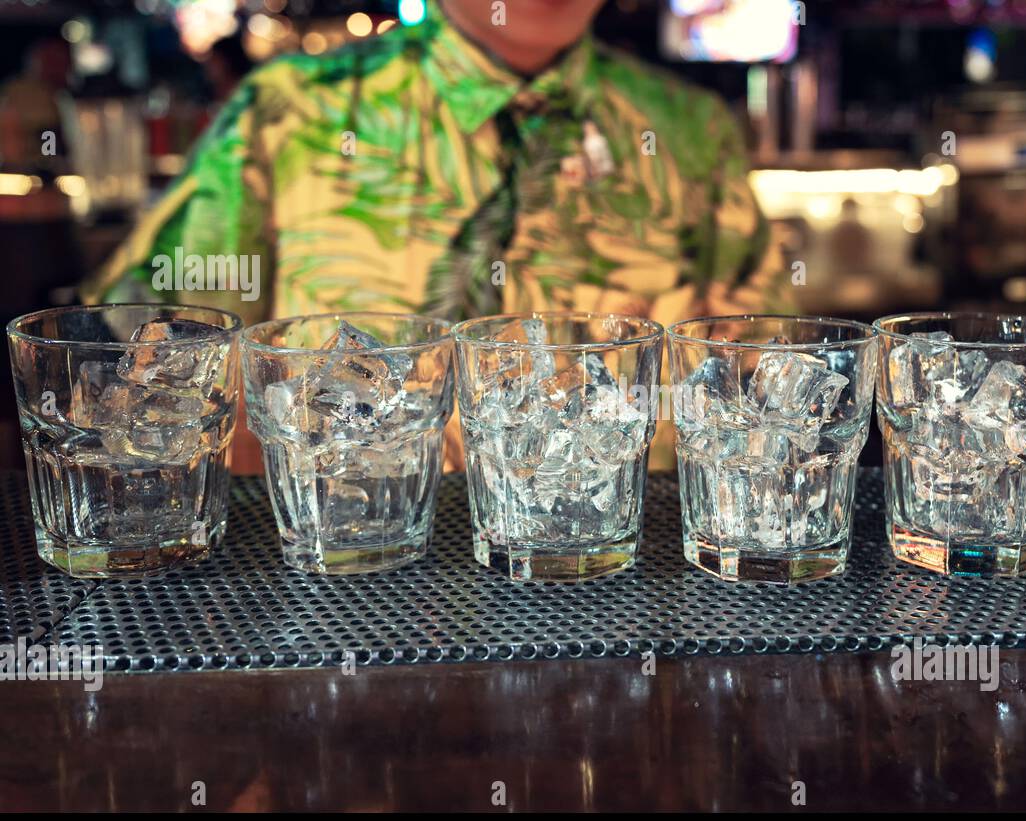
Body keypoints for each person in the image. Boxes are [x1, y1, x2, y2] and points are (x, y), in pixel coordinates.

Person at [83, 0, 792, 469]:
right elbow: (147, 356)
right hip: (348, 595)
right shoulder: (288, 111)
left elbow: (767, 391)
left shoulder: (691, 131)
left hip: (619, 586)